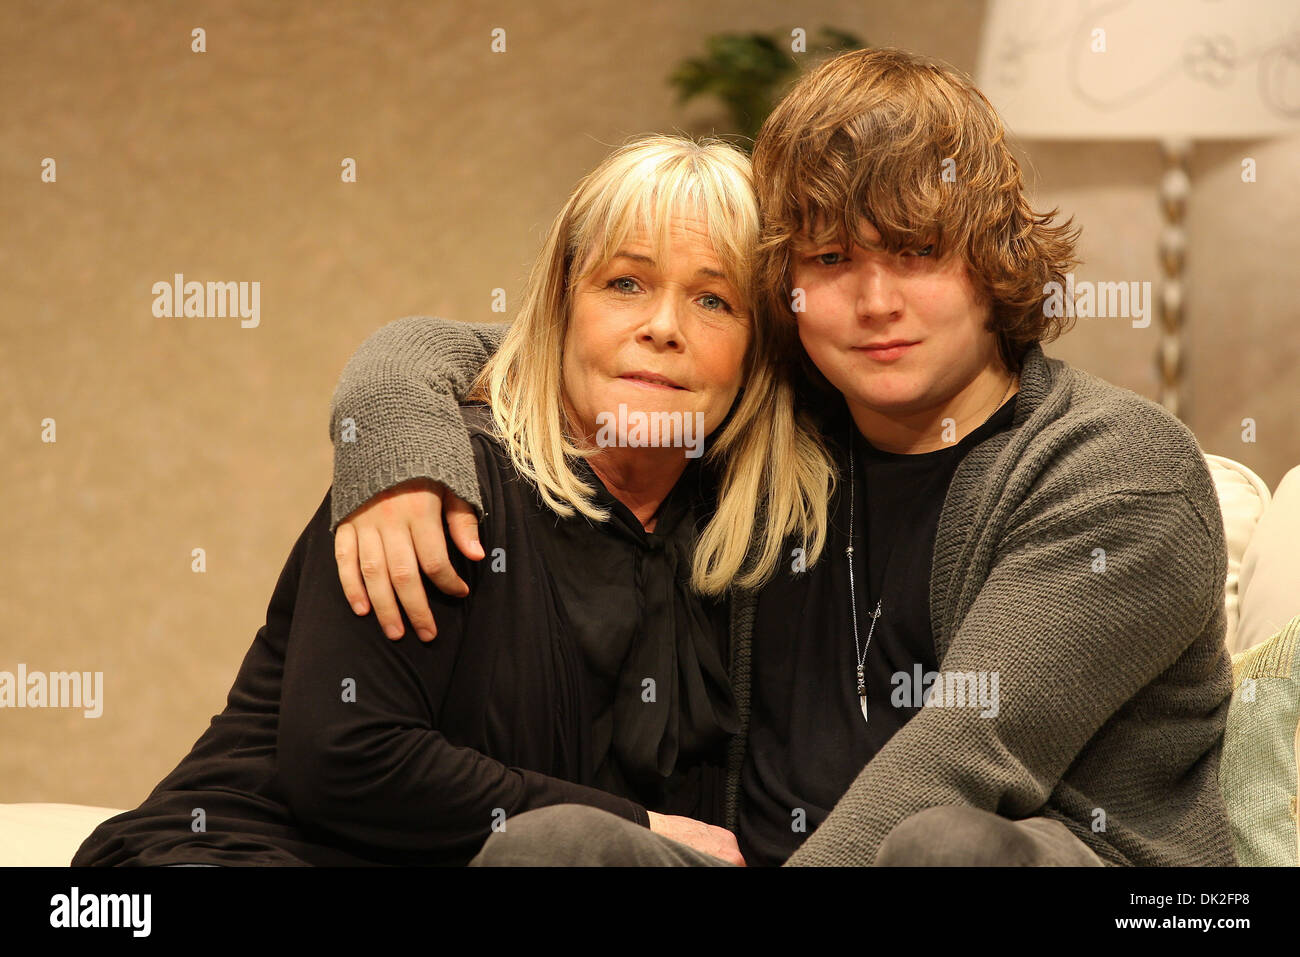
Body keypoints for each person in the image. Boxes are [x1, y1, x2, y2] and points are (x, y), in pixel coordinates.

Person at [327, 48, 1238, 867]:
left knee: (944, 848)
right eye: (834, 257)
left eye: (917, 250)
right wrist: (397, 447)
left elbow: (965, 756)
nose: (875, 301)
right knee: (556, 844)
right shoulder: (785, 430)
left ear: (992, 260)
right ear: (788, 285)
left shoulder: (1117, 470)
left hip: (1095, 875)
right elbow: (528, 348)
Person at [72, 134, 833, 867]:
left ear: (757, 348)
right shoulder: (439, 472)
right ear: (564, 306)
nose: (663, 327)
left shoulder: (743, 544)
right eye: (625, 283)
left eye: (713, 300)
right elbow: (348, 756)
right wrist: (631, 827)